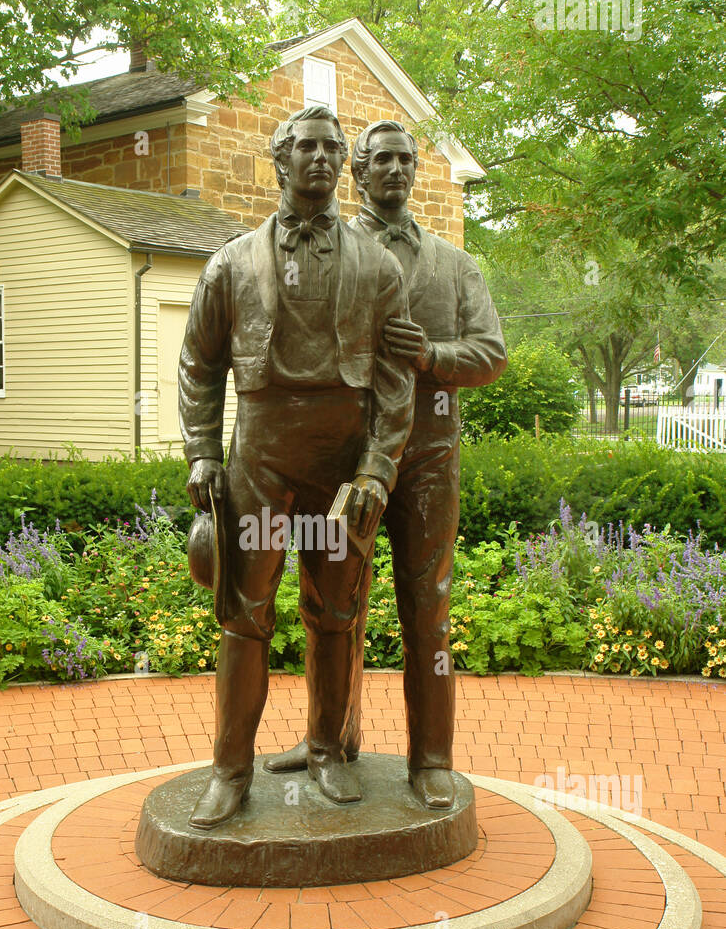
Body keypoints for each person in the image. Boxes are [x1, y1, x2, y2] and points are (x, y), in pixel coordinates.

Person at [179, 105, 415, 828]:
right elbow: (199, 364)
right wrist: (201, 453)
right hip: (261, 450)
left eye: (329, 148)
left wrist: (377, 469)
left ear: (343, 164)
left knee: (335, 612)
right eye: (303, 147)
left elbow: (396, 380)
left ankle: (327, 752)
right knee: (244, 615)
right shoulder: (231, 262)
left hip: (340, 456)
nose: (317, 158)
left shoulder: (376, 266)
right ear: (279, 162)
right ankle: (230, 769)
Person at [265, 119, 507, 809]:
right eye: (381, 161)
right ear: (358, 171)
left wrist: (431, 354)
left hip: (427, 460)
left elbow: (491, 354)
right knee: (329, 606)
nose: (395, 171)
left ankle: (431, 758)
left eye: (407, 160)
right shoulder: (327, 251)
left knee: (427, 609)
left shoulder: (456, 266)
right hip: (343, 459)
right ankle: (329, 742)